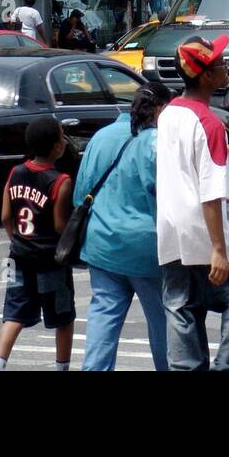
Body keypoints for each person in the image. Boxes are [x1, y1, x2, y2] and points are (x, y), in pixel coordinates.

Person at [156, 34, 229, 371]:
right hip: (204, 231)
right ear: (205, 76)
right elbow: (211, 194)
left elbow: (183, 159)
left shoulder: (170, 113)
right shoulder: (211, 123)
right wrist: (219, 249)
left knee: (182, 306)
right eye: (219, 63)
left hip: (172, 232)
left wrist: (224, 153)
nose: (225, 66)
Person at [76, 83, 172, 372]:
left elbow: (81, 194)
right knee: (164, 322)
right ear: (160, 109)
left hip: (101, 244)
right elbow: (168, 198)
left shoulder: (101, 136)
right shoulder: (157, 142)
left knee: (103, 318)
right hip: (147, 249)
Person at [0, 116, 75, 371]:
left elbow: (6, 216)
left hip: (16, 256)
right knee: (62, 316)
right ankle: (62, 366)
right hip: (49, 260)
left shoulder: (15, 172)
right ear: (56, 147)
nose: (64, 140)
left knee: (13, 314)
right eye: (62, 136)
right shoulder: (60, 181)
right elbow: (61, 226)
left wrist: (16, 239)